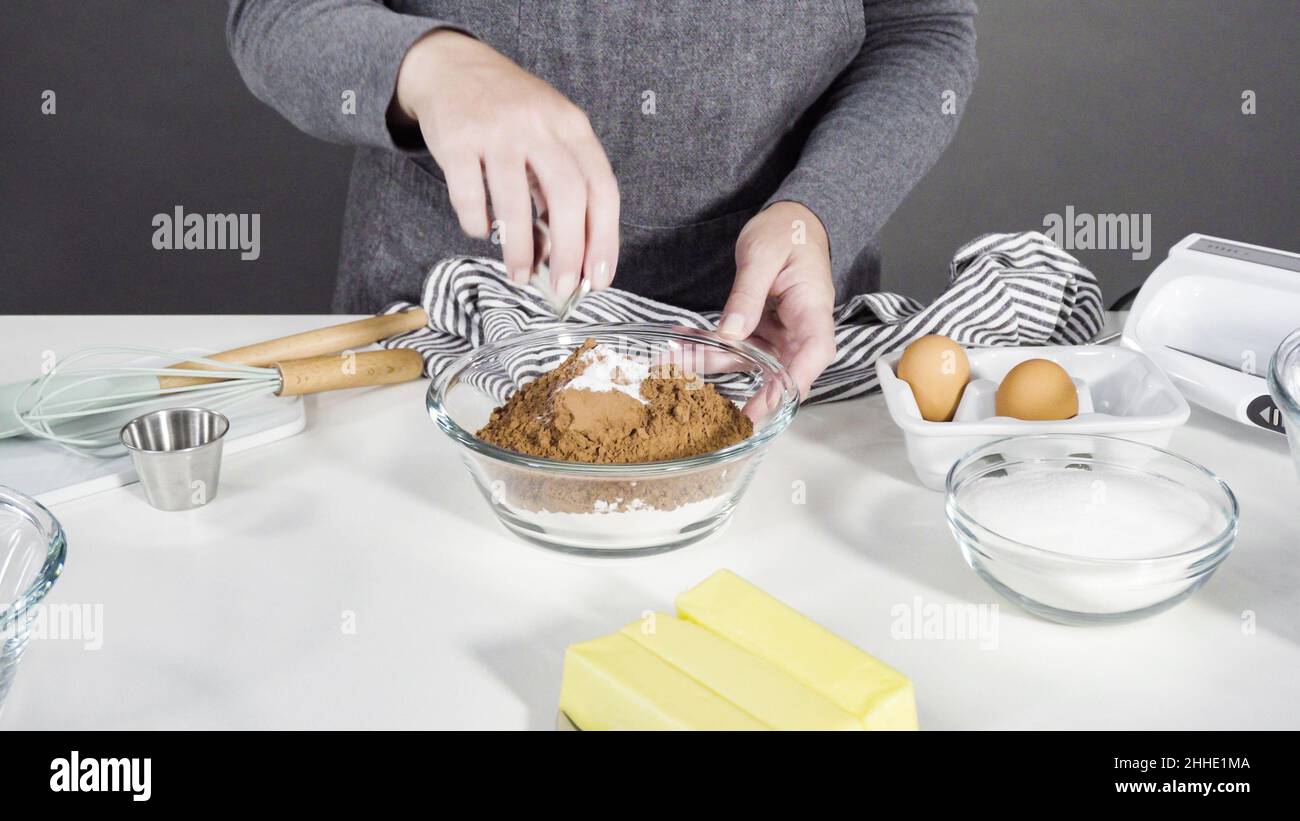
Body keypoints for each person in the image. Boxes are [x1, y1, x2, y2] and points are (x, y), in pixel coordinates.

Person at [227, 1, 977, 397]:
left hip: (756, 356)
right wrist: (434, 66)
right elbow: (275, 12)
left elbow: (921, 27)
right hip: (436, 350)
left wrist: (820, 211)